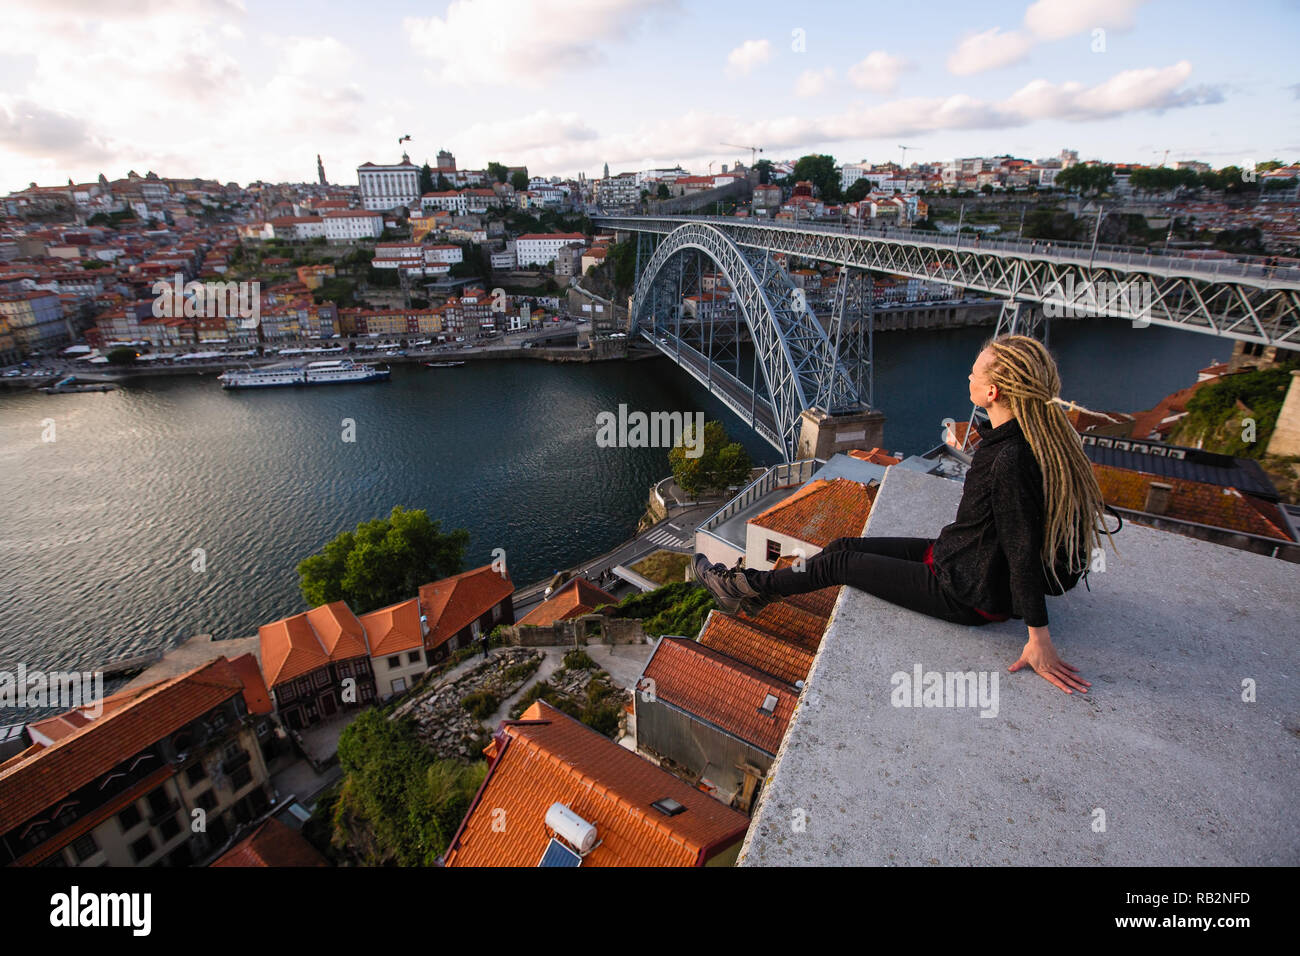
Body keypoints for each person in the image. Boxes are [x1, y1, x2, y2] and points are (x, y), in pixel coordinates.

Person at [691, 334, 1116, 695]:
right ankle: (757, 592)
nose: (968, 375)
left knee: (839, 562)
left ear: (993, 393)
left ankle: (744, 587)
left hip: (966, 592)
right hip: (958, 557)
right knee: (843, 547)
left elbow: (1021, 550)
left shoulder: (1010, 458)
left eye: (975, 371)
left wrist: (1039, 638)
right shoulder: (1022, 437)